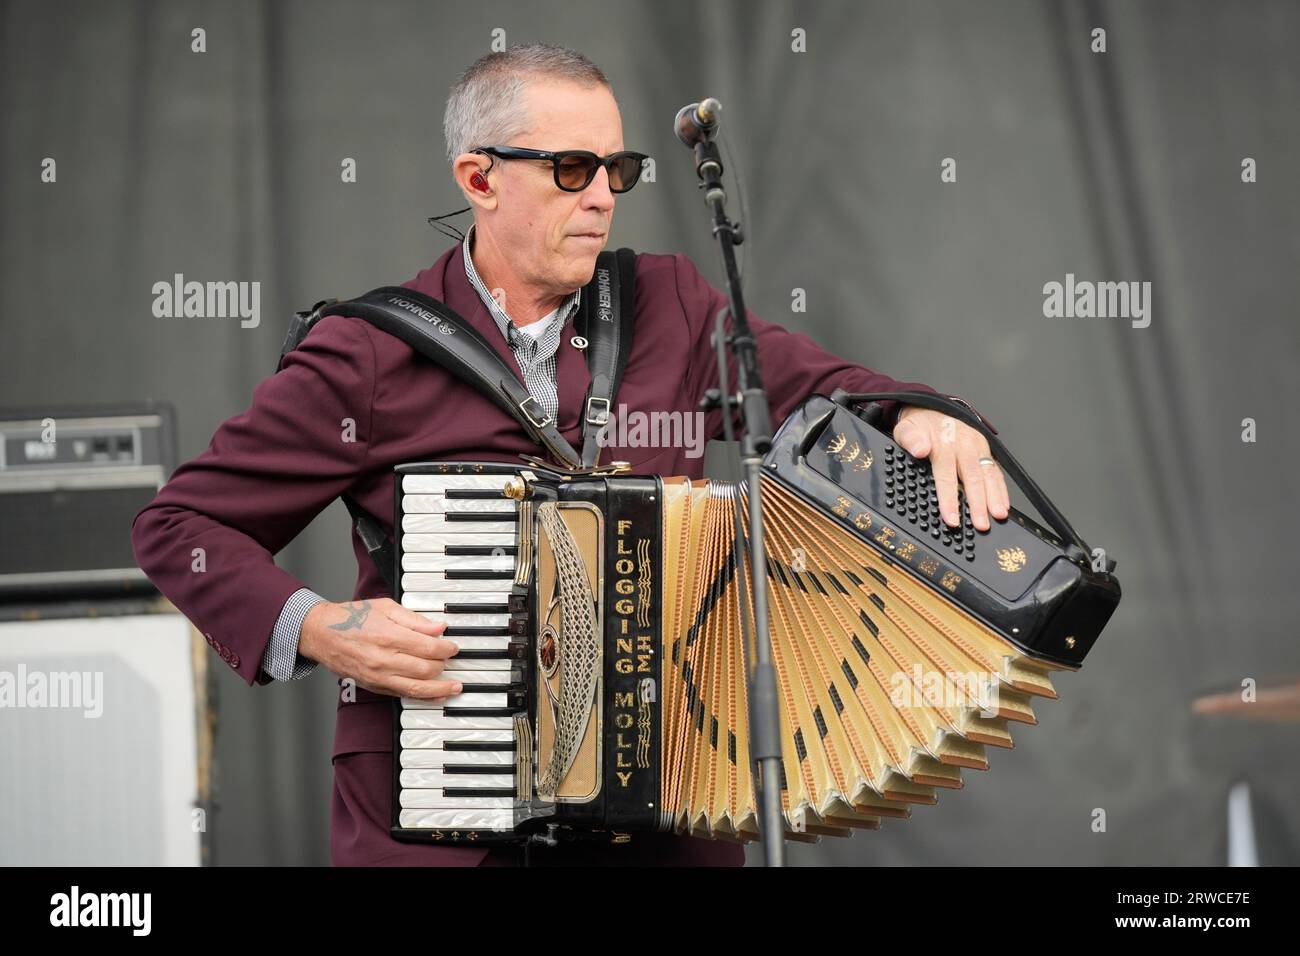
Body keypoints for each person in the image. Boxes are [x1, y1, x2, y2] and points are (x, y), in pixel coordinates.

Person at [132, 43, 1010, 866]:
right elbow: (180, 524)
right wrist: (321, 628)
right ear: (478, 178)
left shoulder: (668, 303)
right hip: (444, 828)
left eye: (617, 171)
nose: (602, 196)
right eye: (571, 169)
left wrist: (919, 414)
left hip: (666, 814)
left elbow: (830, 388)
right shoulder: (370, 354)